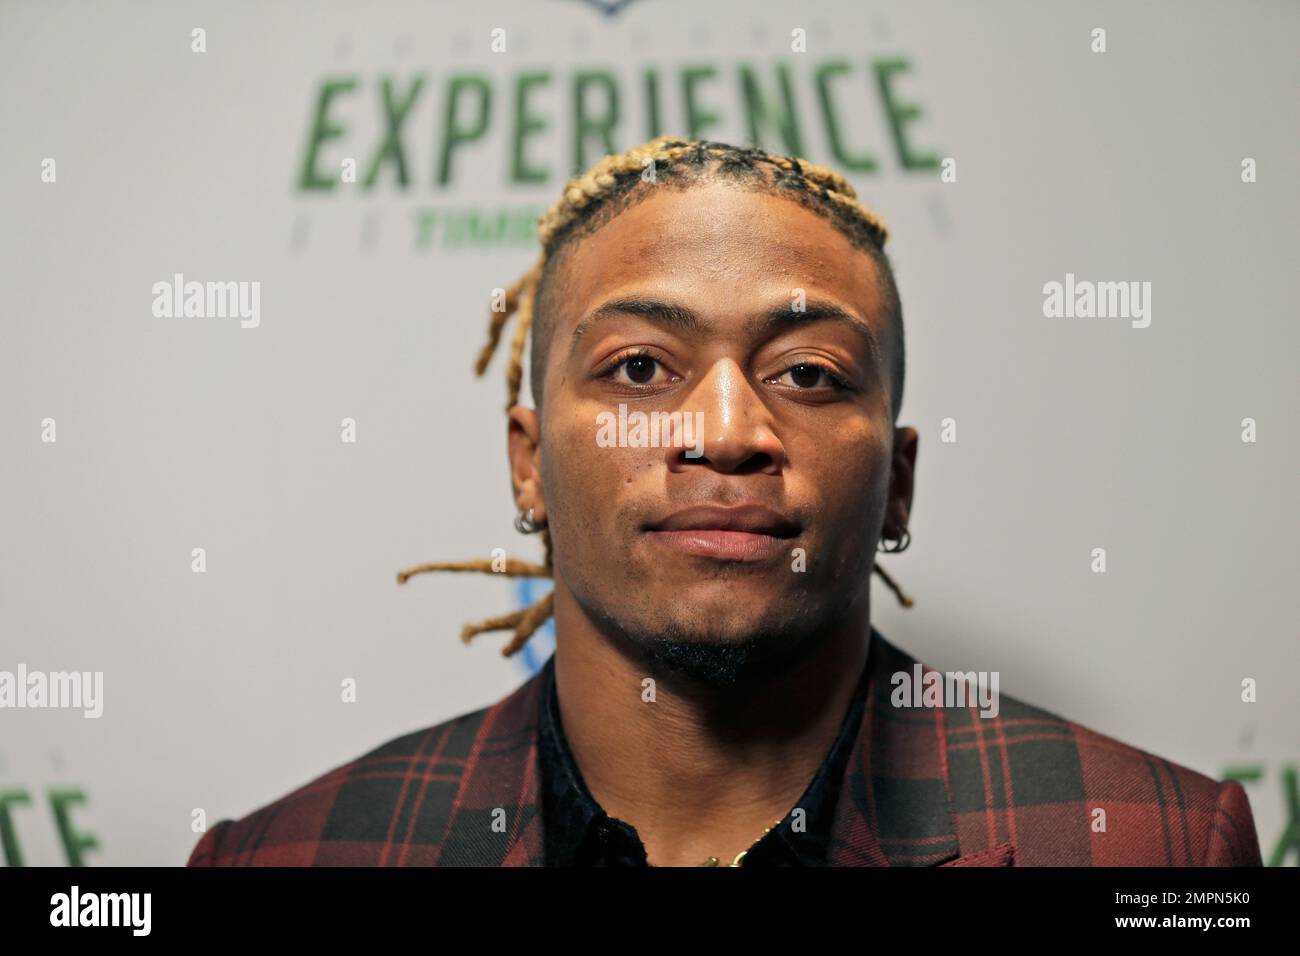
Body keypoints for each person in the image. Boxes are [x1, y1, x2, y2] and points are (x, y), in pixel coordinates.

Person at [187, 136, 1261, 867]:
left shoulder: (1149, 846)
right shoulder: (290, 853)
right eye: (641, 368)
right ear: (527, 465)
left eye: (805, 373)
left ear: (896, 481)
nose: (727, 432)